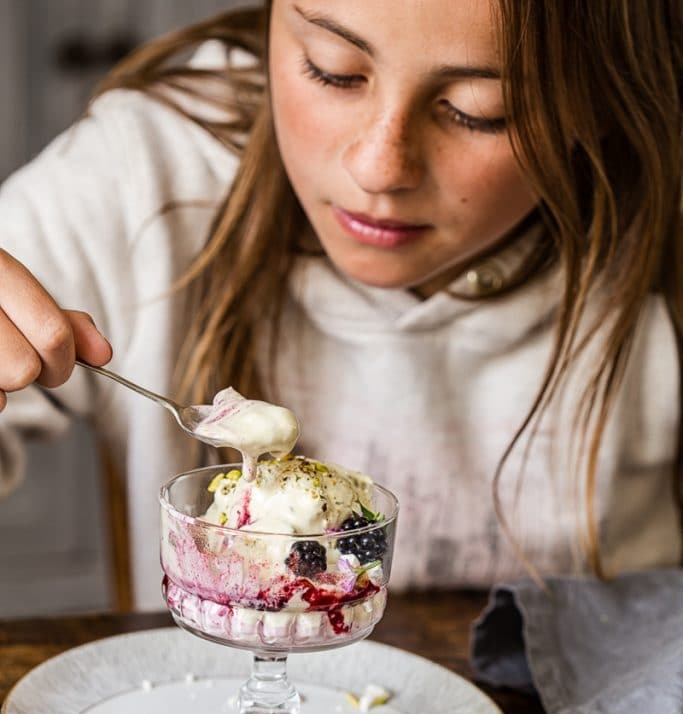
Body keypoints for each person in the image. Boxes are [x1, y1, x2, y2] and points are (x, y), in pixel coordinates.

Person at [0, 0, 680, 610]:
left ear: (598, 97)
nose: (379, 168)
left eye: (480, 109)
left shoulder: (659, 234)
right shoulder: (144, 173)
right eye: (333, 71)